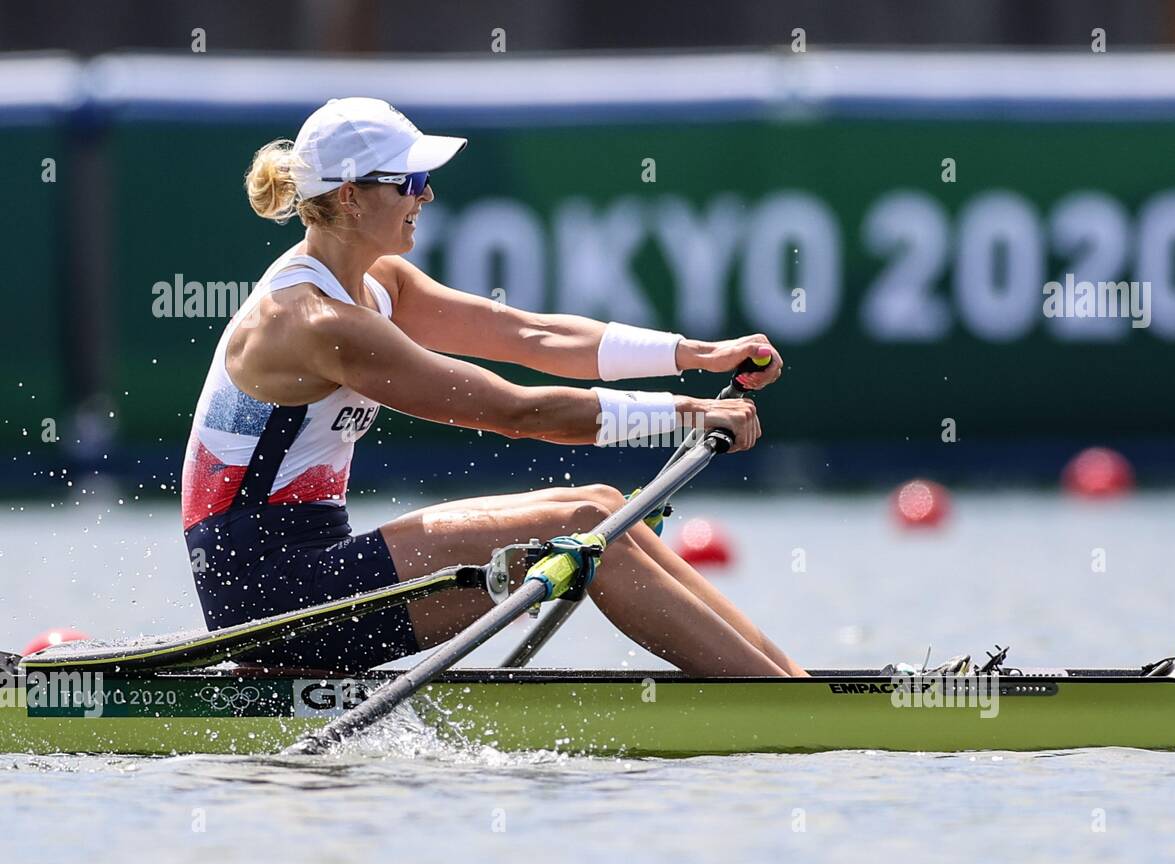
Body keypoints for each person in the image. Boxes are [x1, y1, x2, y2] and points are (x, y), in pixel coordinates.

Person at [180, 97, 805, 678]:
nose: (426, 195)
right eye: (411, 182)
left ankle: (794, 687)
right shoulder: (314, 321)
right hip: (267, 597)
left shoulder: (380, 282)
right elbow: (515, 412)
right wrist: (685, 415)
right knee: (587, 526)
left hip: (317, 562)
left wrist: (696, 353)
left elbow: (531, 335)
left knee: (606, 506)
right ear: (350, 197)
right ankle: (791, 716)